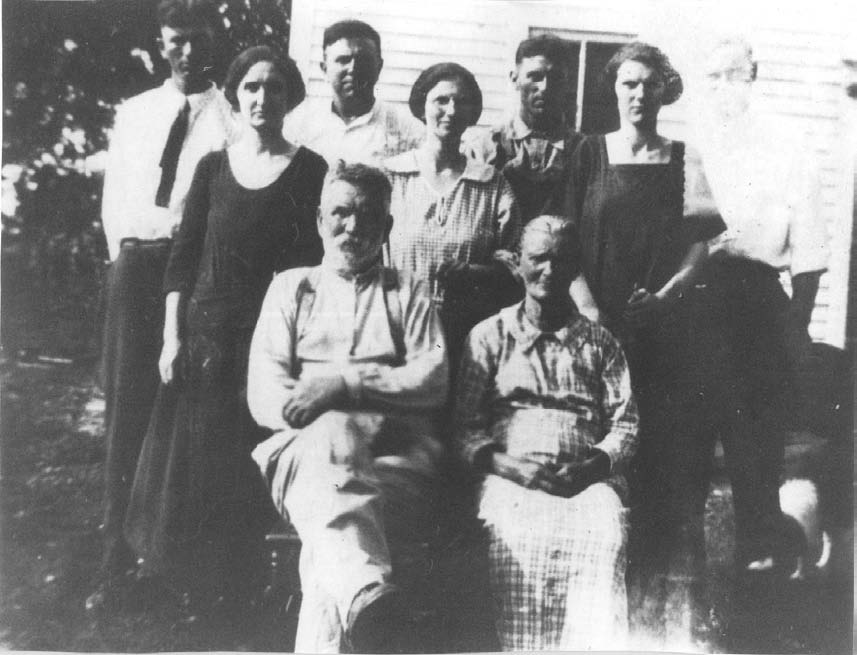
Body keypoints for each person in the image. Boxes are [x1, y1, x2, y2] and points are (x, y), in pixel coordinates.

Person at [122, 46, 327, 618]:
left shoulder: (311, 169)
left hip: (269, 341)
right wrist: (171, 338)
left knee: (249, 465)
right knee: (197, 467)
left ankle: (243, 593)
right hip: (205, 339)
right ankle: (190, 589)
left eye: (275, 88)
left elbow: (313, 270)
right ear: (237, 95)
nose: (263, 98)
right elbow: (182, 260)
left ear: (289, 98)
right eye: (252, 87)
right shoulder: (212, 166)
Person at [247, 161, 448, 653]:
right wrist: (331, 422)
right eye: (340, 213)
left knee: (329, 543)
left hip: (393, 459)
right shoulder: (291, 288)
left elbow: (433, 379)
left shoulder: (409, 291)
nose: (352, 227)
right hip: (301, 459)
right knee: (331, 452)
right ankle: (367, 595)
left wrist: (344, 385)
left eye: (367, 216)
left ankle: (363, 594)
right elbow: (265, 393)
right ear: (319, 220)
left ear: (387, 227)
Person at [562, 42, 726, 645]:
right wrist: (588, 311)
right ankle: (592, 604)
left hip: (665, 336)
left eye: (648, 85)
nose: (637, 94)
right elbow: (566, 241)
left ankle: (656, 618)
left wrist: (668, 297)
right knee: (597, 462)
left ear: (664, 91)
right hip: (597, 333)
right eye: (627, 84)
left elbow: (700, 244)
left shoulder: (686, 159)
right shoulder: (587, 154)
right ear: (615, 90)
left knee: (658, 472)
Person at [88, 0, 236, 612]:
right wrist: (123, 264)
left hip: (192, 275)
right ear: (161, 44)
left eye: (197, 41)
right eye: (176, 41)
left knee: (176, 409)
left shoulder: (232, 116)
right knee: (127, 406)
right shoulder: (136, 113)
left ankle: (168, 557)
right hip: (134, 269)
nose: (187, 53)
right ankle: (112, 550)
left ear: (212, 43)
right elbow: (114, 198)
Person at [455, 216, 638, 650]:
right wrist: (511, 467)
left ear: (576, 268)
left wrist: (592, 466)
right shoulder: (489, 337)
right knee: (511, 539)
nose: (550, 271)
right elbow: (464, 428)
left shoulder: (600, 344)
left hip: (585, 481)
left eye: (562, 260)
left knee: (605, 532)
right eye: (538, 259)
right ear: (518, 264)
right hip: (511, 479)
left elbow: (625, 423)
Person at [692, 38, 828, 573]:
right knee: (698, 428)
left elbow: (811, 244)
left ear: (754, 76)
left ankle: (763, 556)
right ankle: (701, 564)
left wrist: (796, 323)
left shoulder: (787, 143)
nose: (723, 86)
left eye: (733, 75)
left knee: (756, 441)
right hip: (701, 294)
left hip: (758, 298)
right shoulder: (695, 143)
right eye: (714, 76)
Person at [385, 62, 522, 371]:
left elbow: (514, 265)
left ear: (473, 112)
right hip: (397, 330)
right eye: (441, 100)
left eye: (462, 102)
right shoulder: (393, 176)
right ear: (422, 106)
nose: (451, 110)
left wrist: (475, 273)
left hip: (469, 334)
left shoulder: (491, 183)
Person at [466, 34, 582, 223]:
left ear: (566, 84)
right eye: (535, 77)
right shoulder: (485, 147)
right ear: (514, 79)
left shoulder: (583, 152)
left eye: (555, 78)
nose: (544, 87)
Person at [283, 19, 423, 166]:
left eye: (364, 60)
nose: (353, 68)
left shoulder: (407, 130)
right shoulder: (297, 125)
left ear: (379, 67)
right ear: (324, 68)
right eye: (343, 60)